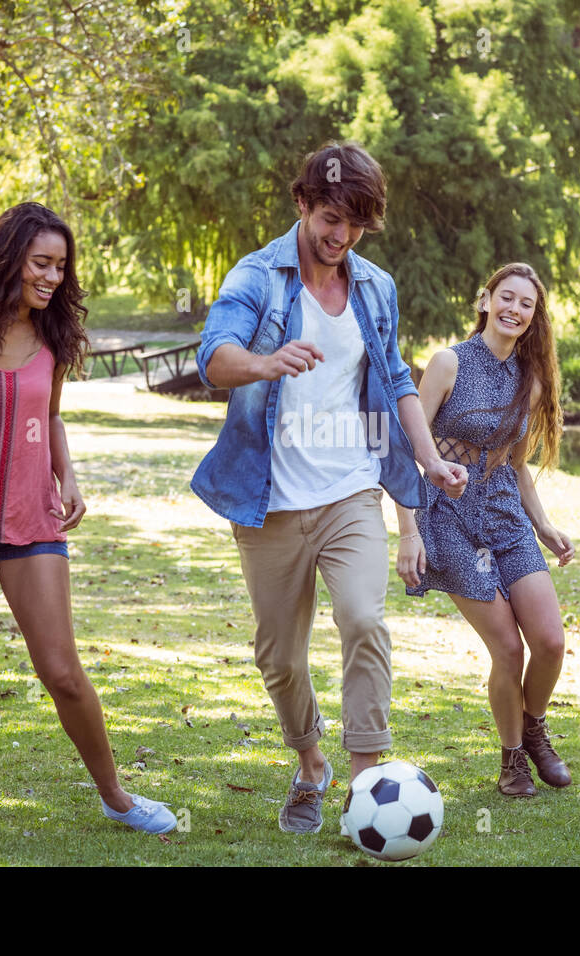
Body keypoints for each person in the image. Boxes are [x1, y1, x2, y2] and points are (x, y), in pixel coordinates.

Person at [192, 142, 467, 834]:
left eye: (356, 223)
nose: (340, 235)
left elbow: (398, 378)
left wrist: (429, 460)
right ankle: (311, 762)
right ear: (302, 204)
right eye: (330, 218)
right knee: (279, 657)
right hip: (271, 501)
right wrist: (263, 361)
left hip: (351, 491)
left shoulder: (374, 287)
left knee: (365, 619)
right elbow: (212, 357)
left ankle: (365, 782)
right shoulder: (258, 276)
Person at [0, 202, 175, 834]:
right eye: (40, 263)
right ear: (8, 258)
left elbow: (48, 416)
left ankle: (117, 798)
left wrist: (67, 476)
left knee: (62, 670)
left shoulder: (52, 335)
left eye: (60, 267)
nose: (51, 277)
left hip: (31, 517)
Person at [395, 263, 575, 797]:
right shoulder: (448, 363)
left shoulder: (532, 379)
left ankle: (536, 728)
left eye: (526, 304)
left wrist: (542, 523)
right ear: (485, 299)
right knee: (508, 649)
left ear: (533, 316)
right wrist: (408, 530)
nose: (514, 310)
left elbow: (515, 463)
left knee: (548, 640)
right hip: (446, 518)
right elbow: (409, 447)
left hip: (505, 517)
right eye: (507, 297)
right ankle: (512, 760)